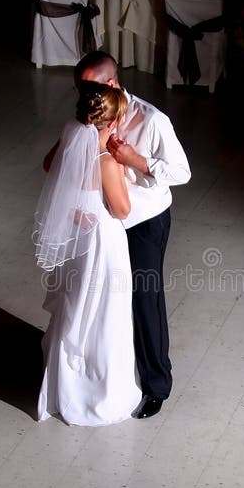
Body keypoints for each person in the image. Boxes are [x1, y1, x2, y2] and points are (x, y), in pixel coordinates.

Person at [73, 51, 191, 419]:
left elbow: (182, 173)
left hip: (144, 222)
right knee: (106, 297)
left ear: (111, 84)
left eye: (90, 87)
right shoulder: (90, 110)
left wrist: (135, 160)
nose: (84, 96)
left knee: (145, 298)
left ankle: (157, 385)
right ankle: (109, 375)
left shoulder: (153, 120)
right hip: (104, 223)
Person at [33, 81, 141, 426]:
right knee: (106, 311)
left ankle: (64, 382)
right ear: (112, 123)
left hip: (77, 241)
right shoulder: (106, 161)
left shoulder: (69, 139)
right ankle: (99, 393)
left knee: (76, 306)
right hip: (102, 243)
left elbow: (50, 167)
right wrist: (123, 171)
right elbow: (122, 210)